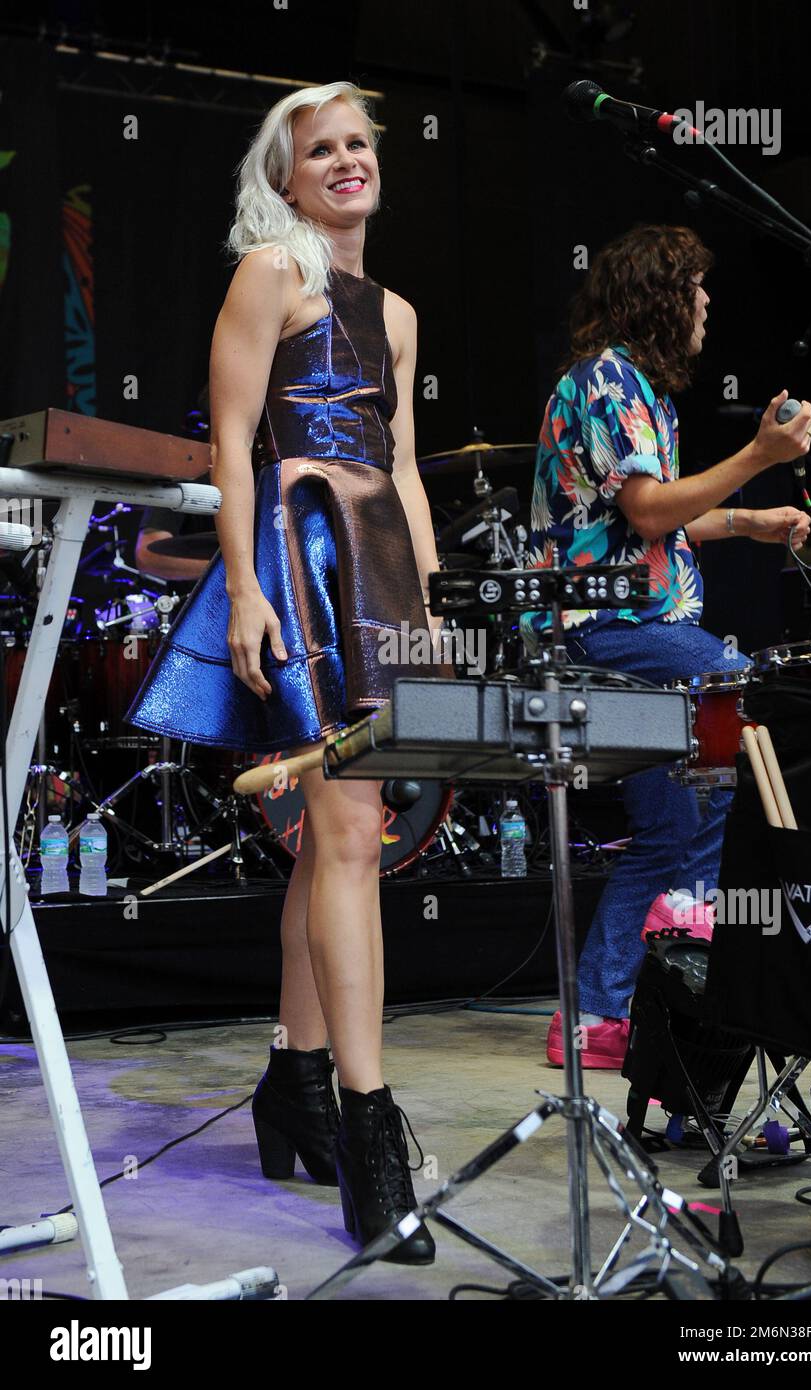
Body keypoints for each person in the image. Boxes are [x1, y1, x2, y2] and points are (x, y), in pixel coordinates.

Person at [124, 82, 446, 1264]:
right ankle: (368, 1135)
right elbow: (230, 442)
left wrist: (428, 604)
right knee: (349, 833)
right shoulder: (268, 276)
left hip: (378, 578)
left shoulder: (399, 313)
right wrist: (248, 590)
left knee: (336, 837)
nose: (349, 158)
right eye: (323, 148)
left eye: (361, 140)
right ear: (287, 176)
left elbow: (404, 466)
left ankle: (291, 1083)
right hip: (298, 564)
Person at [521, 225, 811, 1070]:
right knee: (731, 688)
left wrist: (747, 521)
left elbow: (658, 516)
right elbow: (649, 513)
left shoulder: (644, 392)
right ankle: (688, 971)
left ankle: (603, 1017)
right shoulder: (606, 381)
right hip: (600, 627)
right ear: (661, 294)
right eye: (695, 287)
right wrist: (757, 456)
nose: (707, 303)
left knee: (669, 826)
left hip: (639, 627)